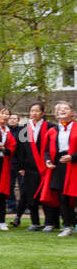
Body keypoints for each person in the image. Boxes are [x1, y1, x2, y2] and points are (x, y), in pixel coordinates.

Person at [42, 101, 77, 236]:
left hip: (74, 163)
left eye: (65, 108)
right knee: (63, 197)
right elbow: (46, 150)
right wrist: (47, 160)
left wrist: (72, 157)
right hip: (59, 165)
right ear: (56, 114)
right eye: (59, 109)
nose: (62, 110)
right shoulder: (52, 131)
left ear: (72, 112)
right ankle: (67, 226)